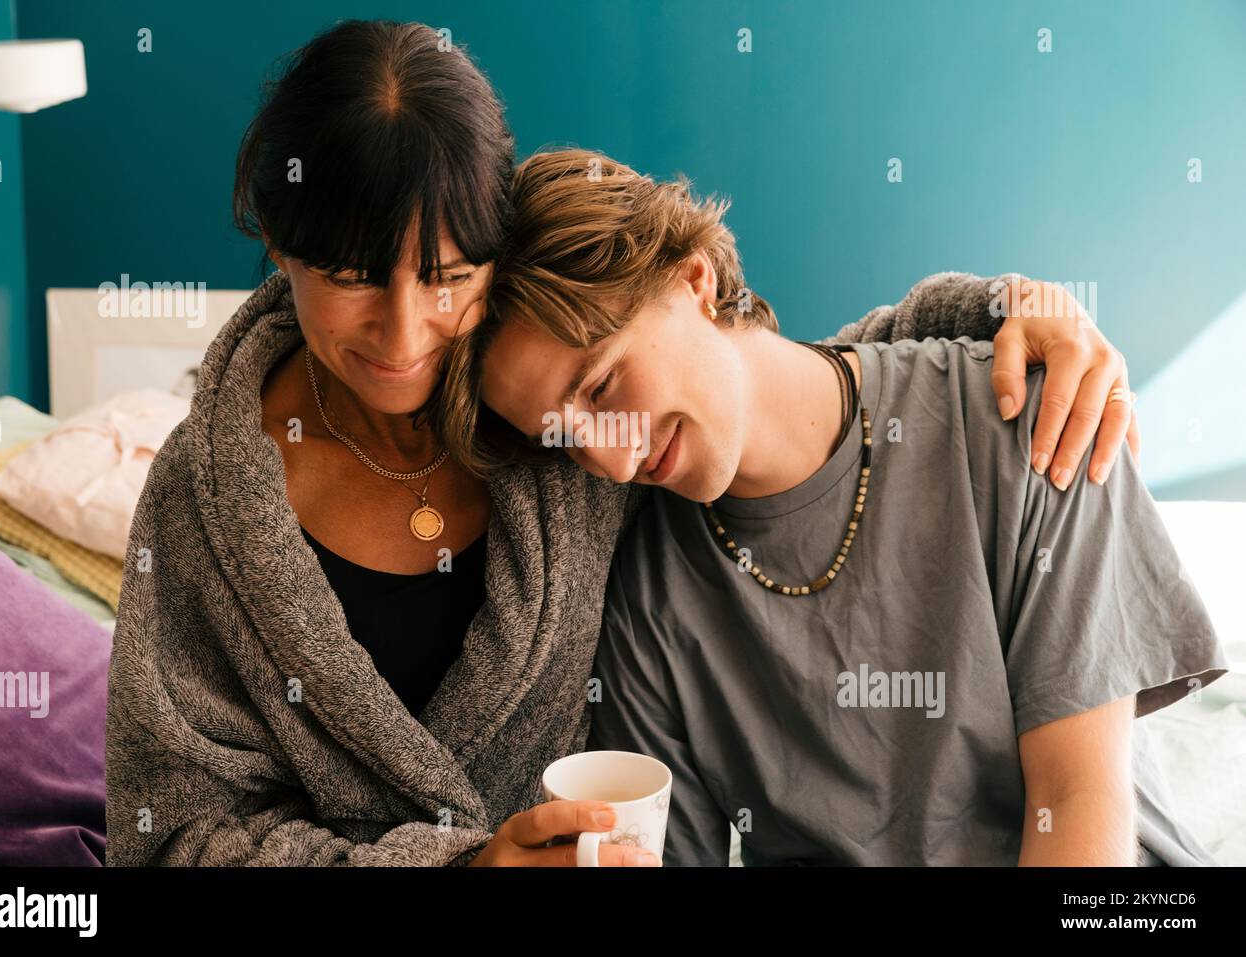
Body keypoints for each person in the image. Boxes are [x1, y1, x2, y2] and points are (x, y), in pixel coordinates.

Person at [104, 21, 1142, 867]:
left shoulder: (546, 434)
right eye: (352, 278)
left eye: (450, 274)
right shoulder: (205, 499)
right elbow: (168, 838)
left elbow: (792, 394)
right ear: (281, 251)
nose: (407, 331)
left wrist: (1006, 312)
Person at [451, 148, 1228, 865]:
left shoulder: (1028, 416)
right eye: (565, 437)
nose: (614, 459)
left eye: (602, 386)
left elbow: (1079, 804)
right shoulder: (646, 597)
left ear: (693, 281)